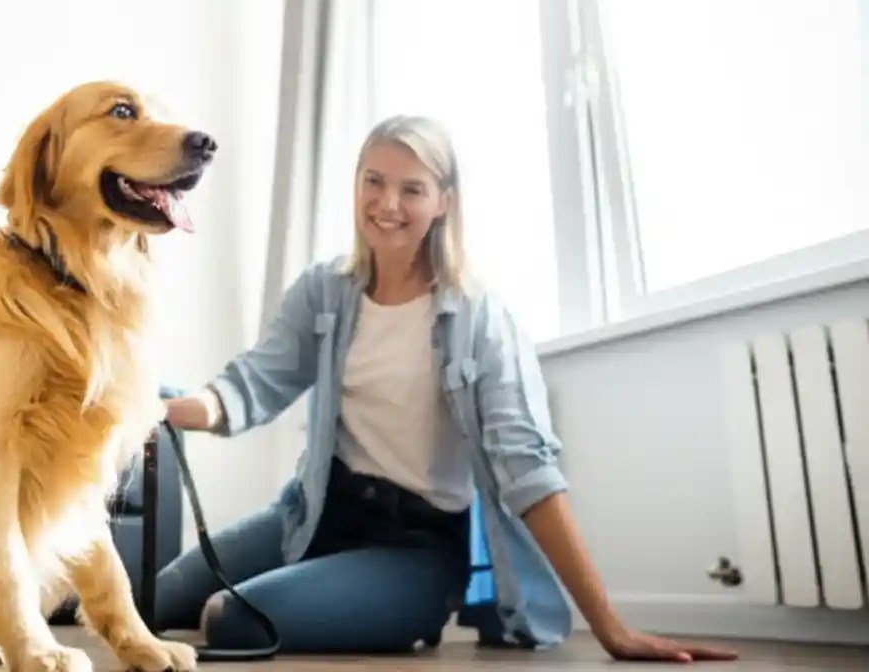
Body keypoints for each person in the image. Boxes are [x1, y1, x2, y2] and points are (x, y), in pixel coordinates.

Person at [153, 115, 739, 662]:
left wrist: (611, 629)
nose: (387, 204)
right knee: (155, 596)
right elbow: (259, 378)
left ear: (443, 203)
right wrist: (169, 410)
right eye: (374, 182)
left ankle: (398, 607)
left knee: (233, 619)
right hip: (312, 513)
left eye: (412, 189)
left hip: (415, 547)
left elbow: (528, 473)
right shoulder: (324, 290)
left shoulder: (481, 320)